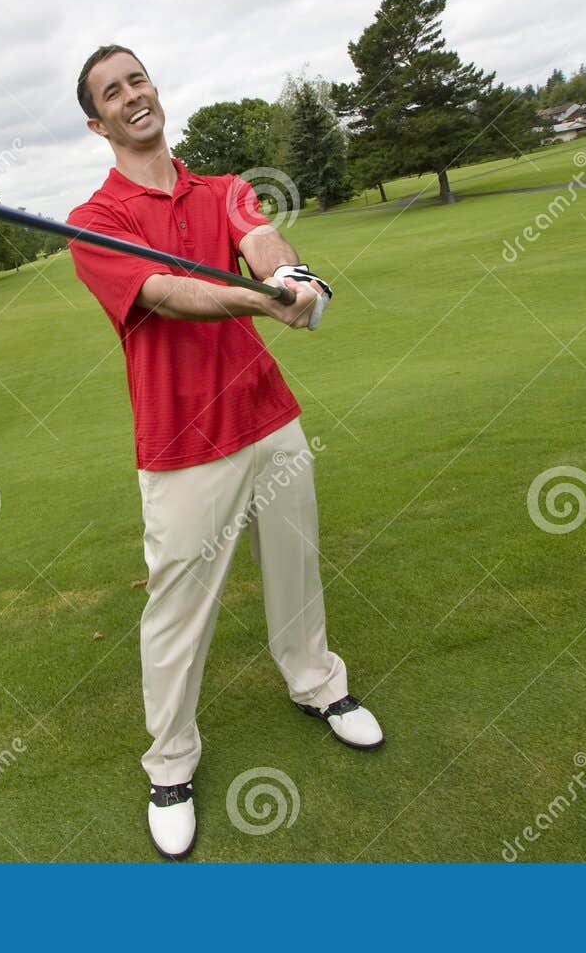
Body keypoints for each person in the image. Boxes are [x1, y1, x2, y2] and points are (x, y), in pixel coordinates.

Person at [65, 45, 383, 861]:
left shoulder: (223, 188)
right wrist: (265, 303)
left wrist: (295, 276)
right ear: (96, 122)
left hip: (266, 415)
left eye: (137, 79)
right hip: (181, 444)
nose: (133, 96)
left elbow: (262, 235)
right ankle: (169, 763)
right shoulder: (94, 223)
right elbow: (170, 295)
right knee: (176, 610)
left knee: (297, 563)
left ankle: (318, 683)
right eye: (113, 92)